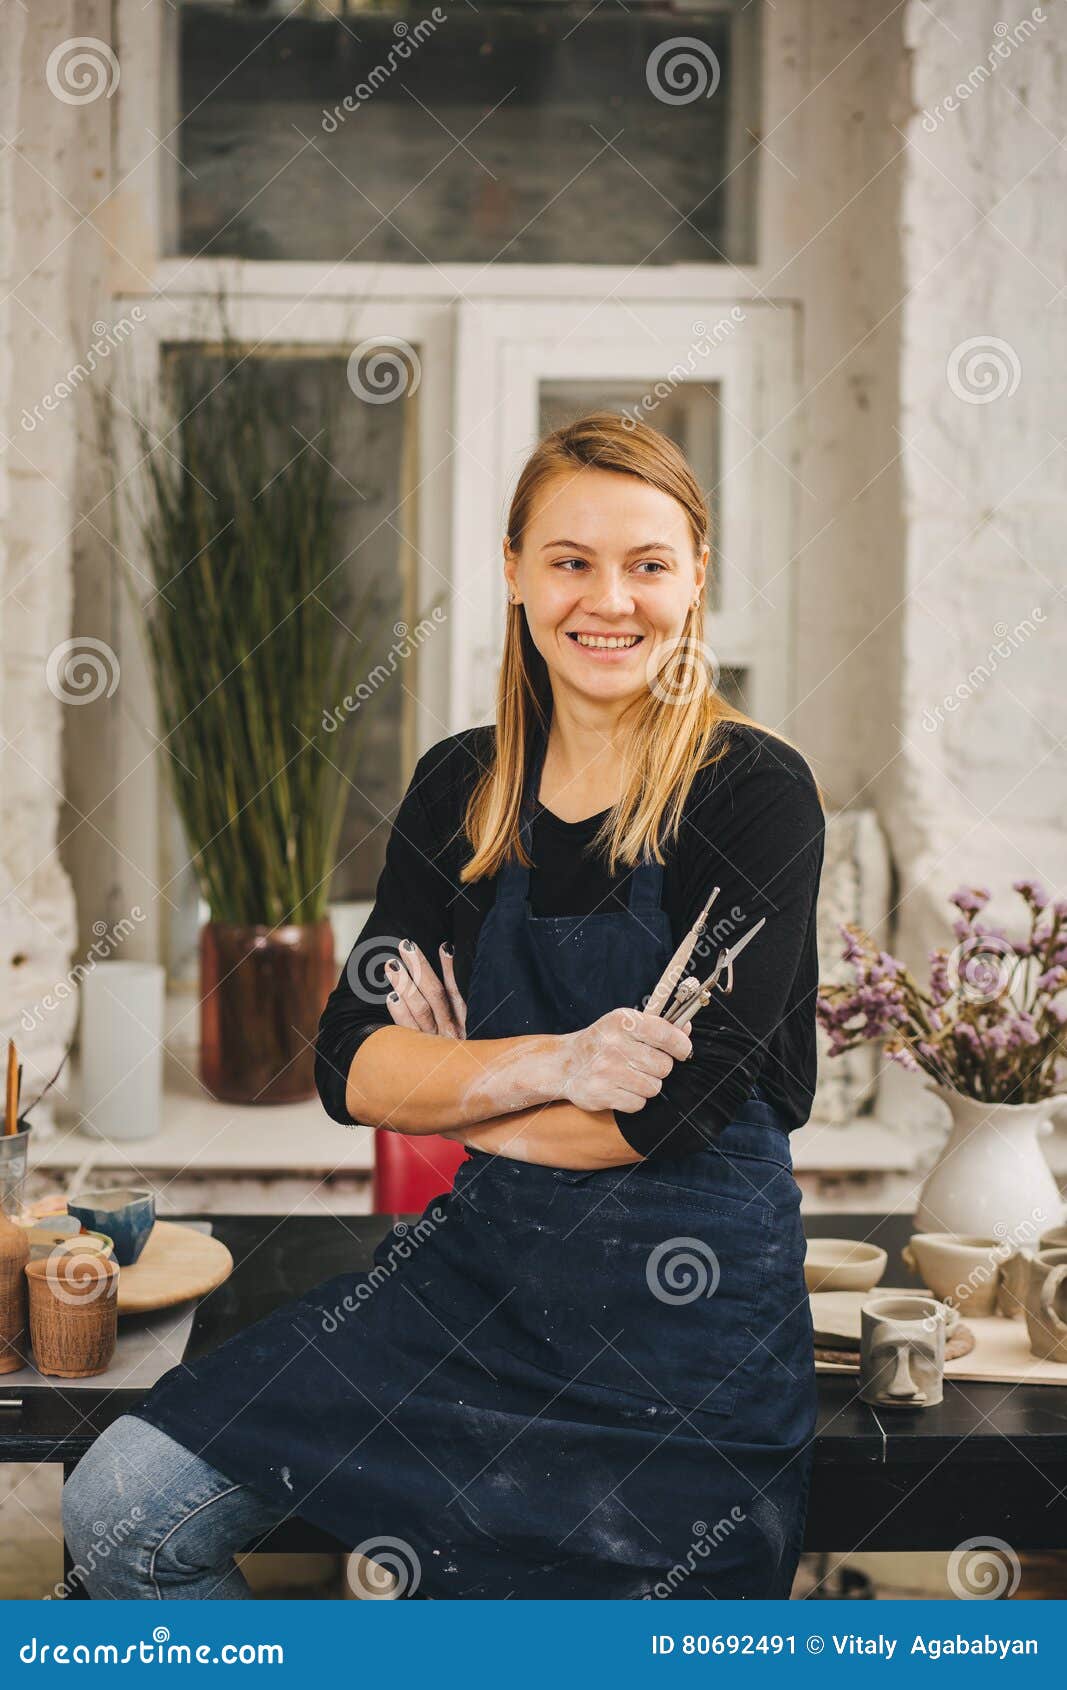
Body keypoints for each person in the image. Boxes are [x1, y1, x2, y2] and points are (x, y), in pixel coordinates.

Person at [63, 410, 825, 1600]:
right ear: (515, 571)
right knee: (118, 1510)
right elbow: (348, 1066)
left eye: (646, 564)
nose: (607, 599)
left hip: (686, 1338)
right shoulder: (458, 786)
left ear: (696, 579)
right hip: (474, 1289)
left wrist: (456, 1099)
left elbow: (663, 1118)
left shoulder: (755, 795)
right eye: (570, 560)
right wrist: (553, 1065)